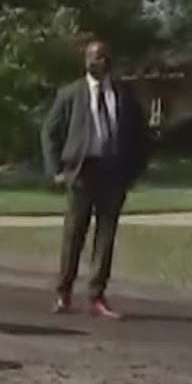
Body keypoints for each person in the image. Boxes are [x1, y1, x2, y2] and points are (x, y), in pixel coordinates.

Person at [42, 38, 149, 319]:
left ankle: (97, 296)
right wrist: (56, 170)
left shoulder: (124, 94)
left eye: (102, 56)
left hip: (113, 173)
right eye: (93, 57)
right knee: (74, 234)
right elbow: (50, 132)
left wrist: (134, 171)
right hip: (81, 172)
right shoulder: (70, 94)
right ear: (85, 61)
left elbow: (141, 135)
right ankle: (63, 293)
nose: (98, 61)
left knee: (106, 237)